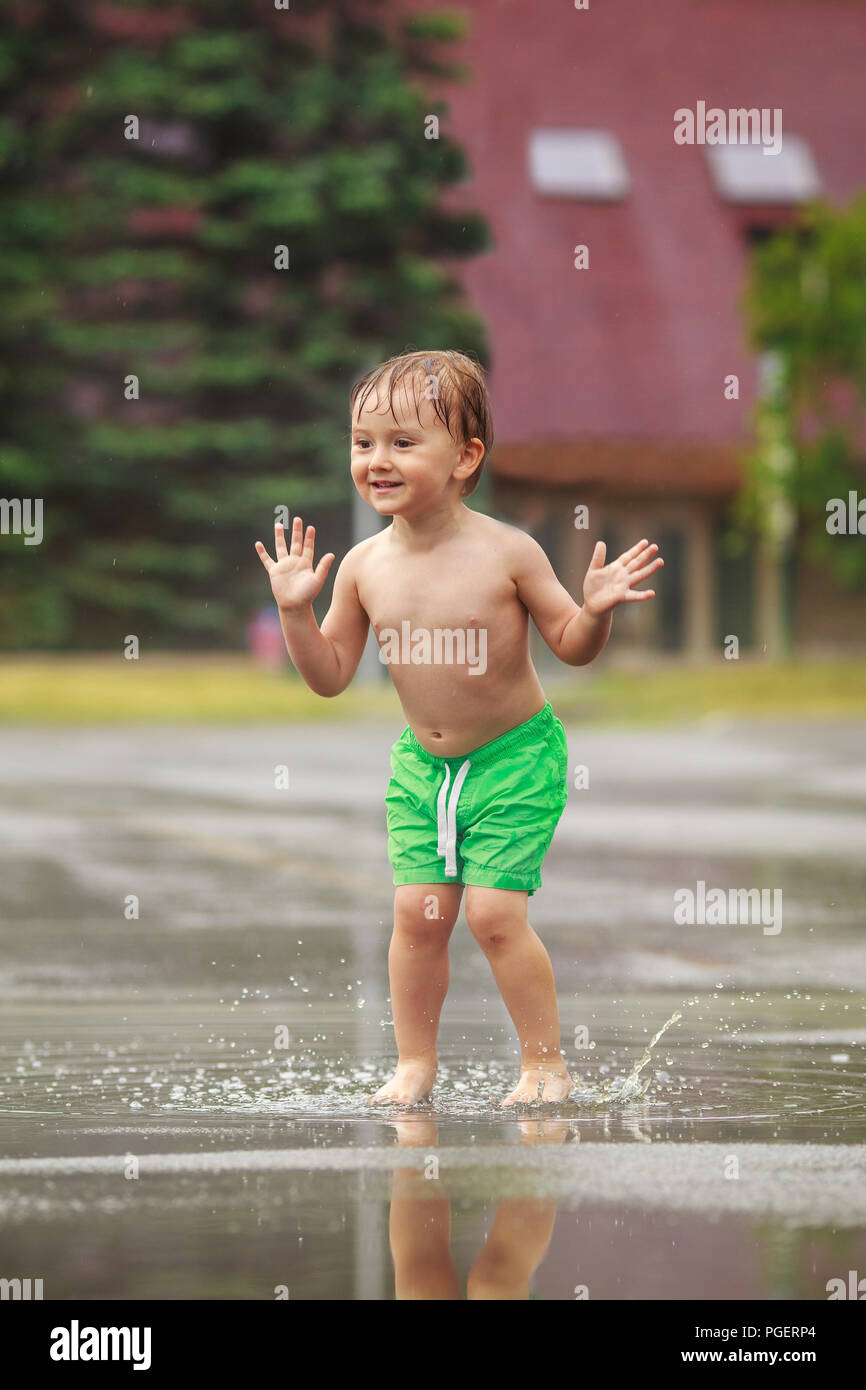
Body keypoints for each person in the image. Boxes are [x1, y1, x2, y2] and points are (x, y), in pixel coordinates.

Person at [254, 349, 663, 1107]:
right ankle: (414, 1064)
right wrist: (293, 612)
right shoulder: (364, 567)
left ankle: (544, 1064)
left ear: (466, 457)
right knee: (418, 912)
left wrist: (595, 609)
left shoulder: (508, 552)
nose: (377, 459)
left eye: (403, 443)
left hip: (516, 758)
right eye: (363, 441)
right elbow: (330, 675)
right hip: (423, 770)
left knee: (494, 914)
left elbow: (570, 647)